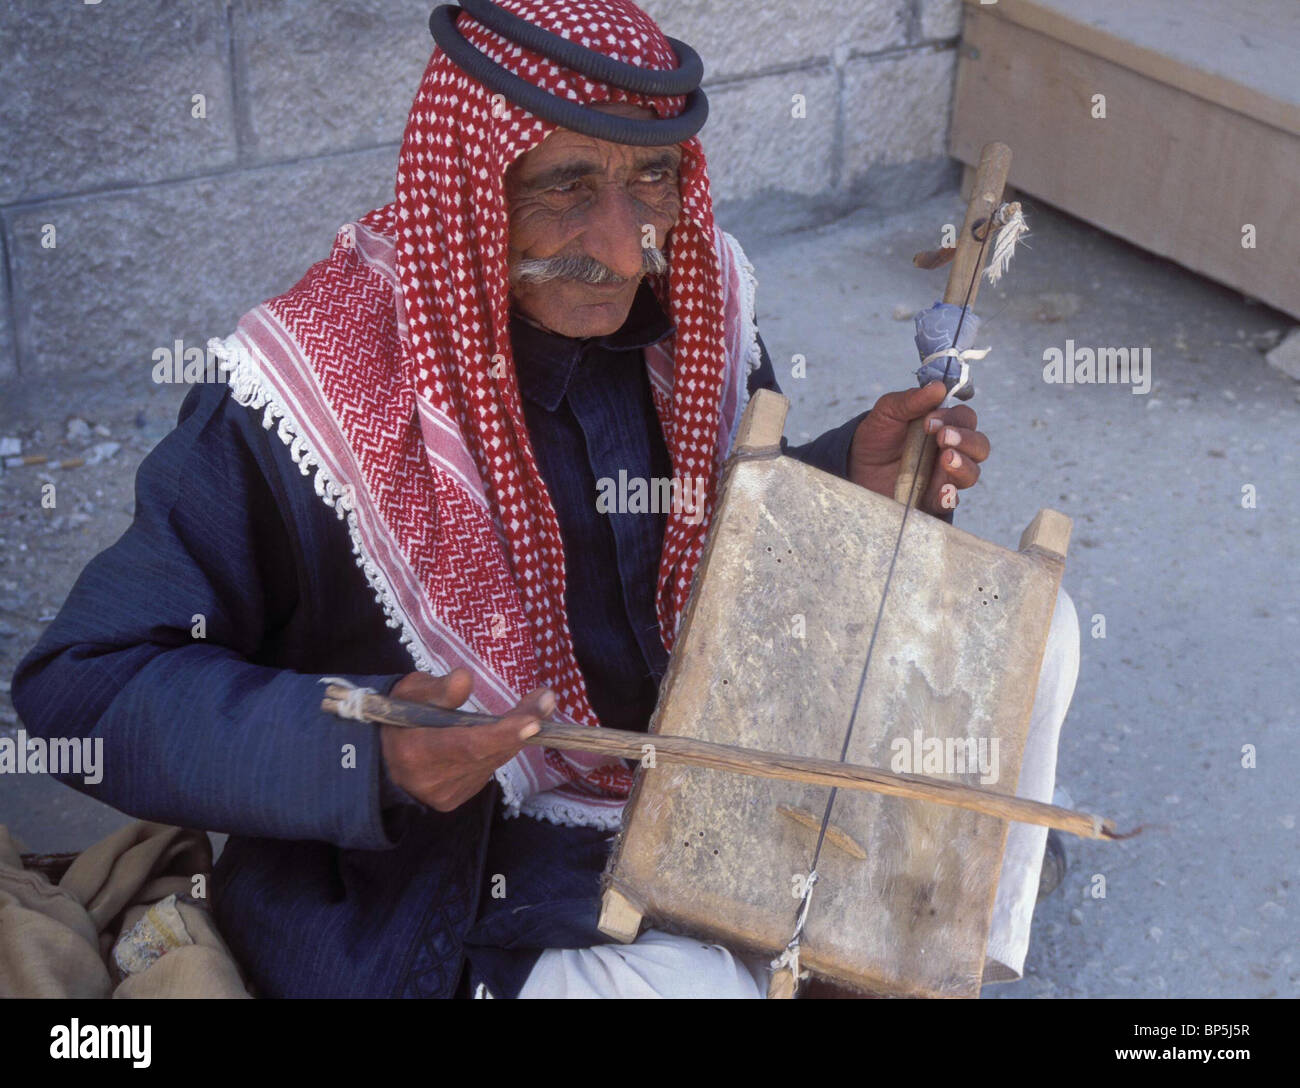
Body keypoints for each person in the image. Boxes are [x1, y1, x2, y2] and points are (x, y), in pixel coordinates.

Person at [12, 0, 1072, 998]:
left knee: (1027, 623)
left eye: (650, 179)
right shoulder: (305, 394)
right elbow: (82, 688)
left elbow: (707, 549)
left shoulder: (688, 309)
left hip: (691, 777)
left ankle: (917, 954)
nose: (622, 245)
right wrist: (362, 753)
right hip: (458, 875)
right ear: (474, 183)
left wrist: (847, 477)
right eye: (566, 185)